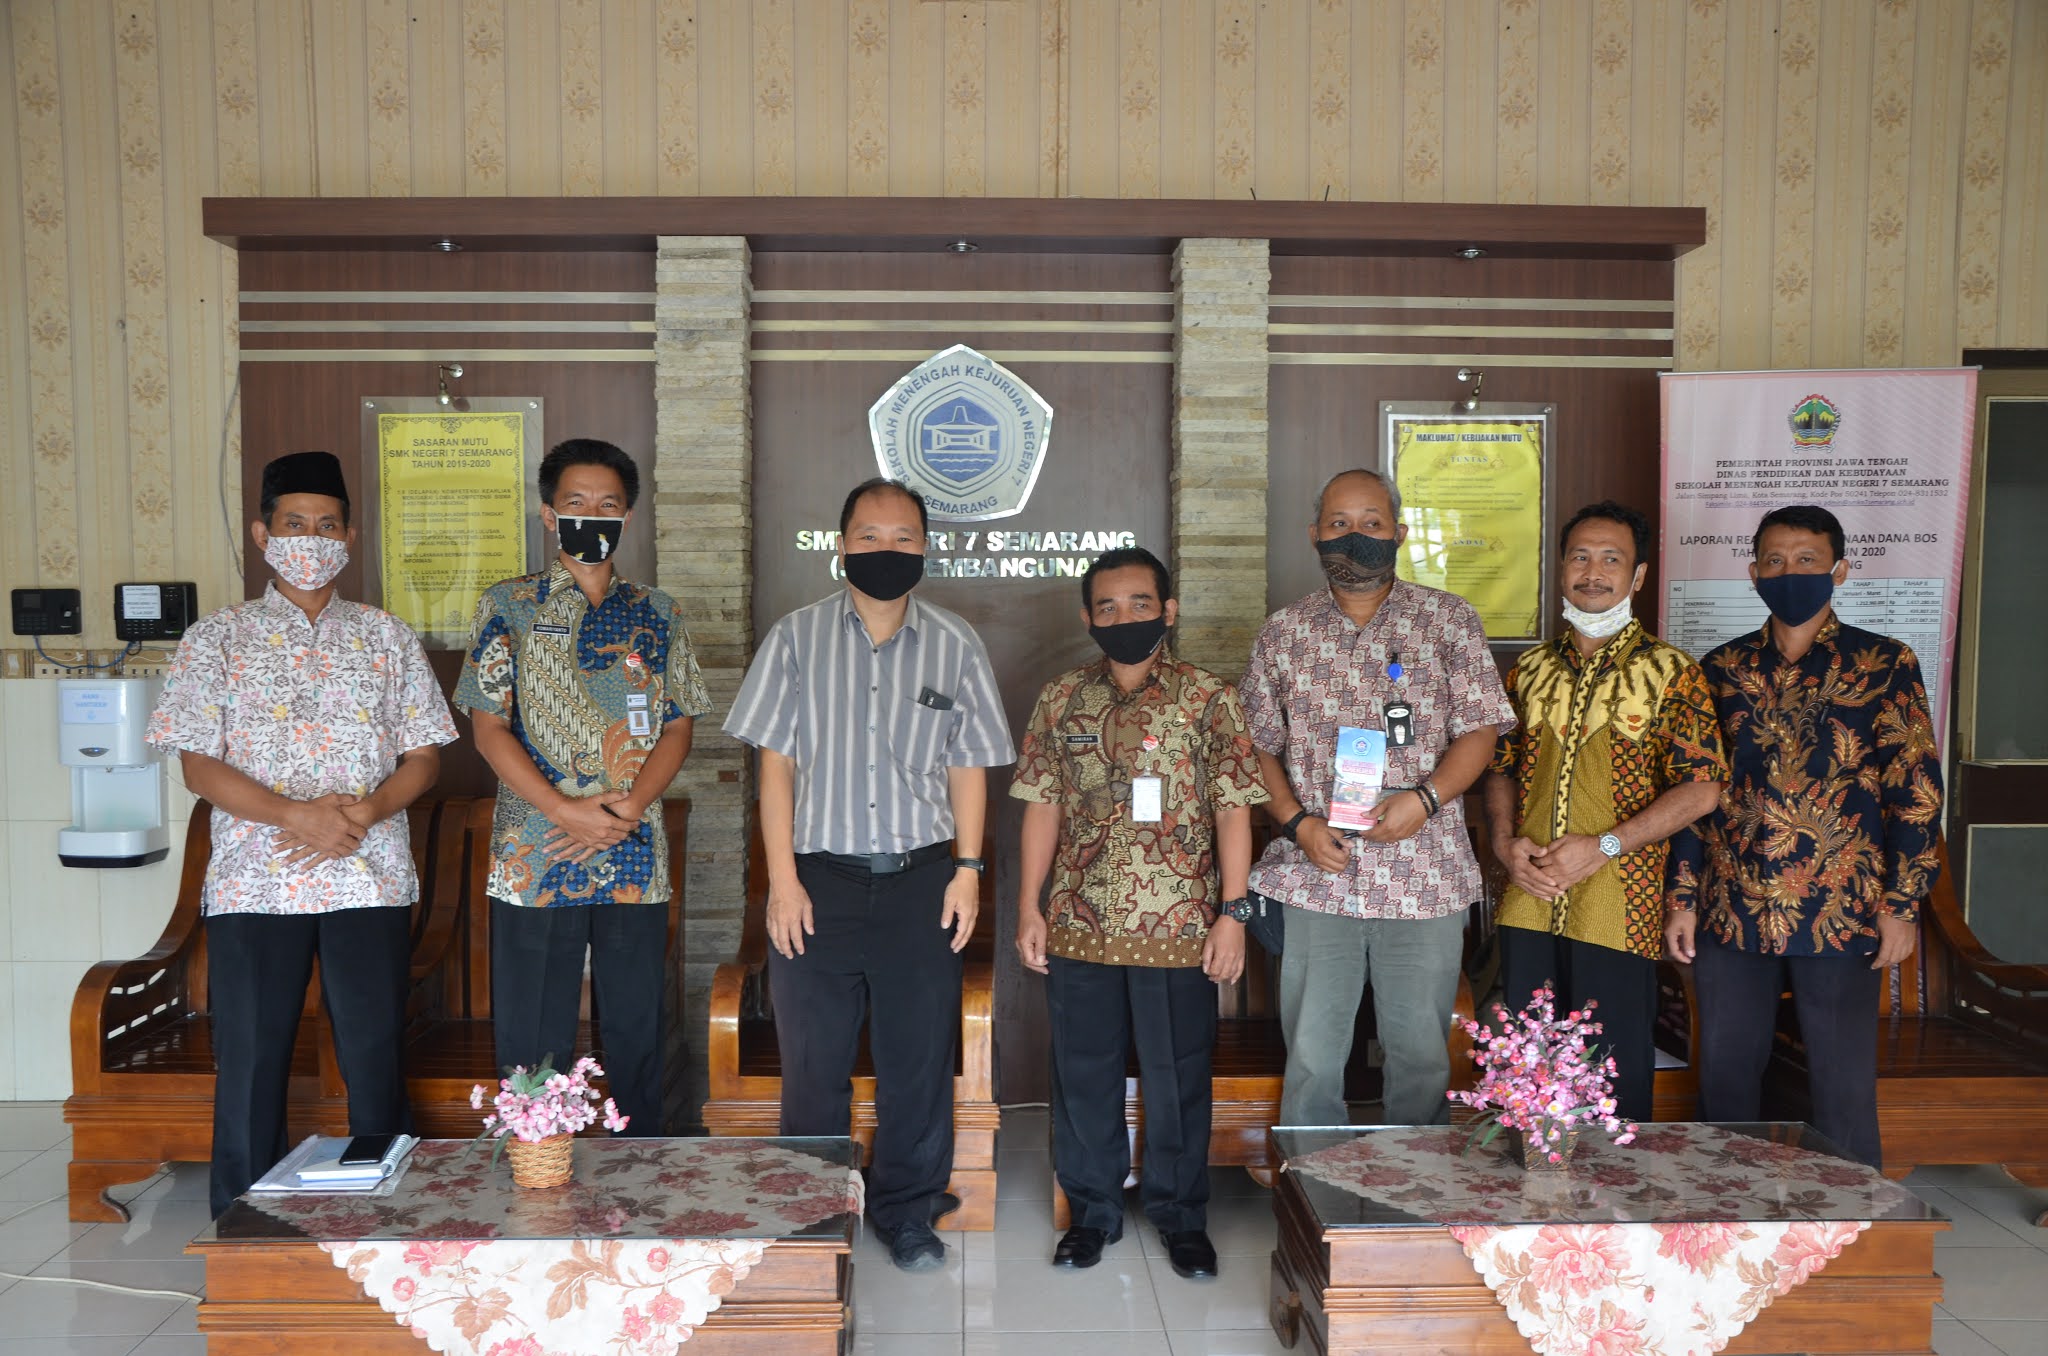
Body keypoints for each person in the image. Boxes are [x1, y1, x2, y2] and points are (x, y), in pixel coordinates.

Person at [146, 450, 457, 1216]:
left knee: (375, 1054)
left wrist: (365, 813)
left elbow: (424, 757)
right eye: (294, 524)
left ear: (349, 536)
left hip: (368, 871)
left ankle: (388, 1216)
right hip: (257, 879)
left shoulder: (385, 637)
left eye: (326, 526)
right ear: (262, 534)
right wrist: (298, 816)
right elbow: (197, 767)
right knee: (252, 1058)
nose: (310, 539)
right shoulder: (216, 639)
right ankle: (241, 1219)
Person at [725, 477, 1014, 1272]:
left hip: (924, 878)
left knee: (917, 1056)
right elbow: (774, 770)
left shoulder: (954, 642)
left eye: (903, 537)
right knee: (813, 1059)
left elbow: (968, 769)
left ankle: (907, 1209)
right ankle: (813, 1212)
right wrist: (781, 881)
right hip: (817, 882)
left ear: (925, 545)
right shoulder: (793, 638)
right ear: (840, 543)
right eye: (869, 536)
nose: (886, 550)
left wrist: (967, 871)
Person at [1012, 547, 1268, 1278]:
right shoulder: (1063, 698)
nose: (1124, 618)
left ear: (1169, 610)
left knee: (1178, 1074)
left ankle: (1181, 1216)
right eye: (1107, 607)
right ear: (1088, 617)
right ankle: (1090, 1214)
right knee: (1083, 1073)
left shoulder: (1208, 698)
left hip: (1181, 924)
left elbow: (1233, 812)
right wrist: (1030, 906)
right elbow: (1041, 804)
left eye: (1140, 604)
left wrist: (1233, 913)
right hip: (1080, 922)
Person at [1666, 504, 1942, 1168]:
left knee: (1842, 1083)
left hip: (1841, 909)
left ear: (1839, 570)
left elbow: (1916, 789)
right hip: (1732, 906)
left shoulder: (1883, 663)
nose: (1790, 572)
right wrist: (1683, 896)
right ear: (1754, 571)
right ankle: (1724, 1222)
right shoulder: (1720, 668)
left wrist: (1902, 908)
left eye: (1807, 560)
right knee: (1727, 1076)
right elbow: (1695, 794)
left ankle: (1852, 1233)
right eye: (1776, 561)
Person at [1240, 469, 1515, 1128]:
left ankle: (1407, 1210)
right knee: (1312, 1057)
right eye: (1338, 524)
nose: (1355, 537)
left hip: (1424, 874)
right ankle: (1312, 1213)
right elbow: (1255, 746)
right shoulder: (1284, 634)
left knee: (1420, 1057)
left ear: (1399, 532)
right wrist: (1296, 822)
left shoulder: (1448, 621)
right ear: (1313, 535)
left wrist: (1425, 797)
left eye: (1371, 523)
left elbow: (1480, 731)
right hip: (1320, 872)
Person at [454, 437, 710, 1135]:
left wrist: (625, 809)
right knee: (534, 1034)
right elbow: (487, 728)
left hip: (630, 848)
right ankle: (538, 1171)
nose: (591, 515)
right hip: (536, 853)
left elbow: (678, 725)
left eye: (608, 504)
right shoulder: (507, 606)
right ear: (548, 514)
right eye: (576, 503)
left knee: (636, 1027)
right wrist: (565, 810)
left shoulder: (658, 612)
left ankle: (643, 1174)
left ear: (627, 516)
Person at [1483, 501, 1727, 1125]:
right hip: (1528, 898)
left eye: (1611, 559)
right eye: (1580, 557)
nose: (1593, 572)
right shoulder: (1528, 672)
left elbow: (1702, 789)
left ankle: (1613, 1211)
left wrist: (1606, 845)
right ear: (1561, 568)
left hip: (1622, 904)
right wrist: (1505, 843)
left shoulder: (1673, 673)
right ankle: (1535, 1203)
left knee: (1611, 1069)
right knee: (1528, 1063)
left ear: (1638, 576)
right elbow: (1501, 768)